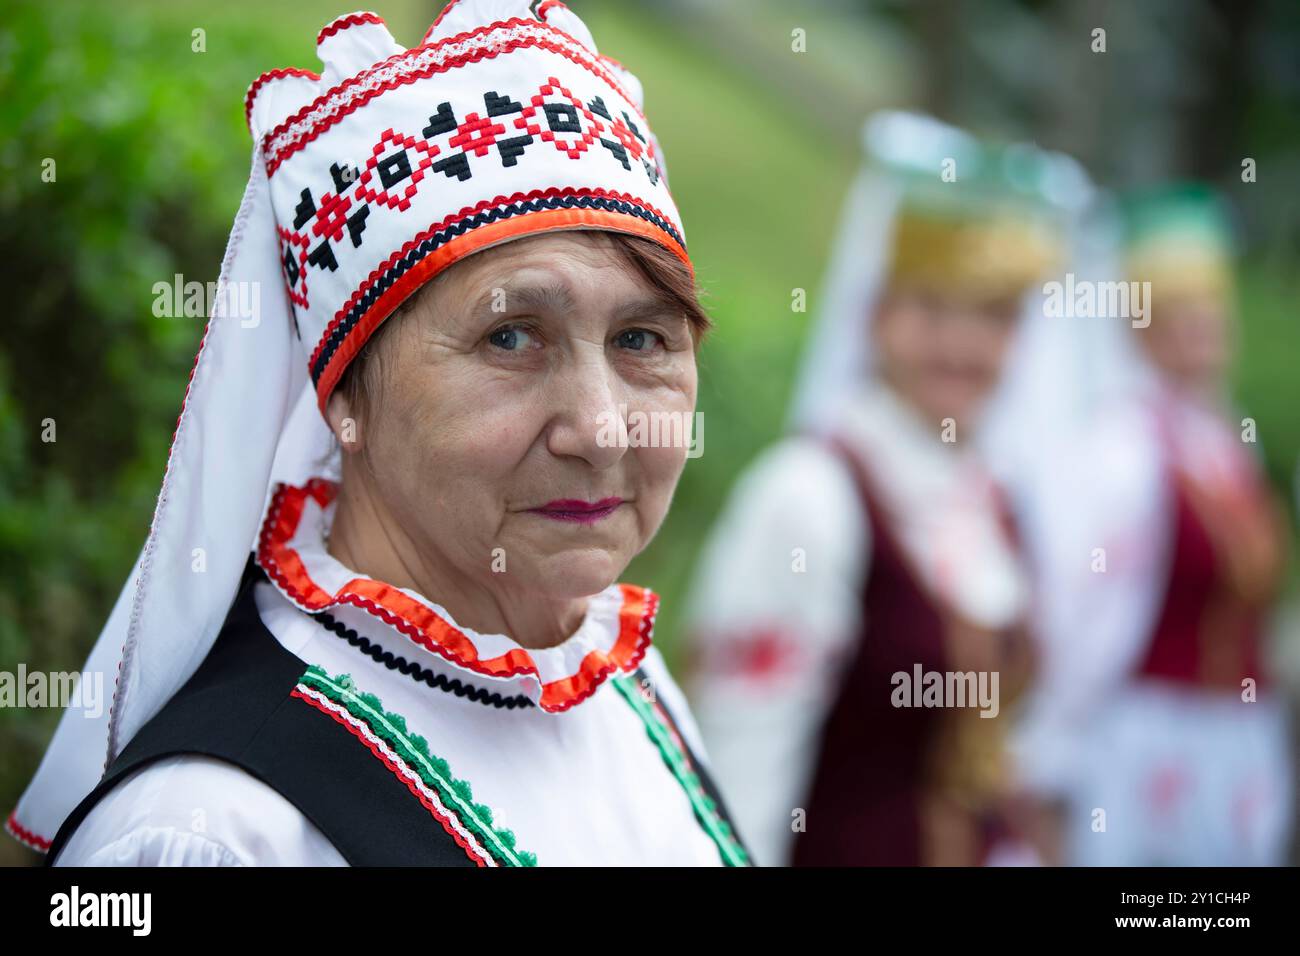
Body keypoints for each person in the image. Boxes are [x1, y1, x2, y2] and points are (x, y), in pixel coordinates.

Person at [6, 1, 750, 867]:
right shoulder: (216, 832)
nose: (600, 429)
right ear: (344, 395)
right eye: (509, 337)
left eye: (641, 340)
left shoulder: (630, 687)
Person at [681, 112, 1078, 866]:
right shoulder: (811, 496)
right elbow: (745, 772)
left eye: (993, 317)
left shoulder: (993, 500)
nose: (962, 346)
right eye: (932, 309)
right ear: (876, 315)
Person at [1016, 183, 1292, 866]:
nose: (1202, 330)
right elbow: (1082, 615)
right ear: (1140, 325)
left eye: (1210, 312)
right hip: (1144, 745)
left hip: (1235, 740)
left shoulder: (1227, 445)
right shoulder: (1121, 454)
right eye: (1180, 315)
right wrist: (1051, 762)